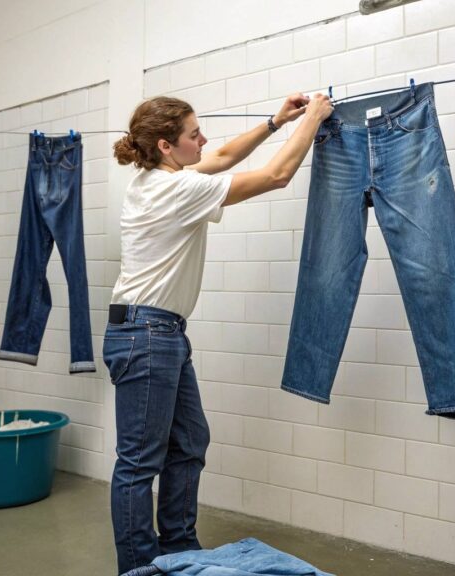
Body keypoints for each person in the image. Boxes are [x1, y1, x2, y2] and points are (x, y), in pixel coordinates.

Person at [104, 91, 333, 573]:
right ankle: (140, 568)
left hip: (158, 333)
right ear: (167, 146)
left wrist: (274, 121)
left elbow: (224, 157)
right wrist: (312, 117)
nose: (204, 139)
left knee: (188, 443)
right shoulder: (173, 190)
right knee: (138, 465)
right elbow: (277, 176)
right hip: (148, 336)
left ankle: (179, 553)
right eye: (194, 134)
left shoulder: (157, 177)